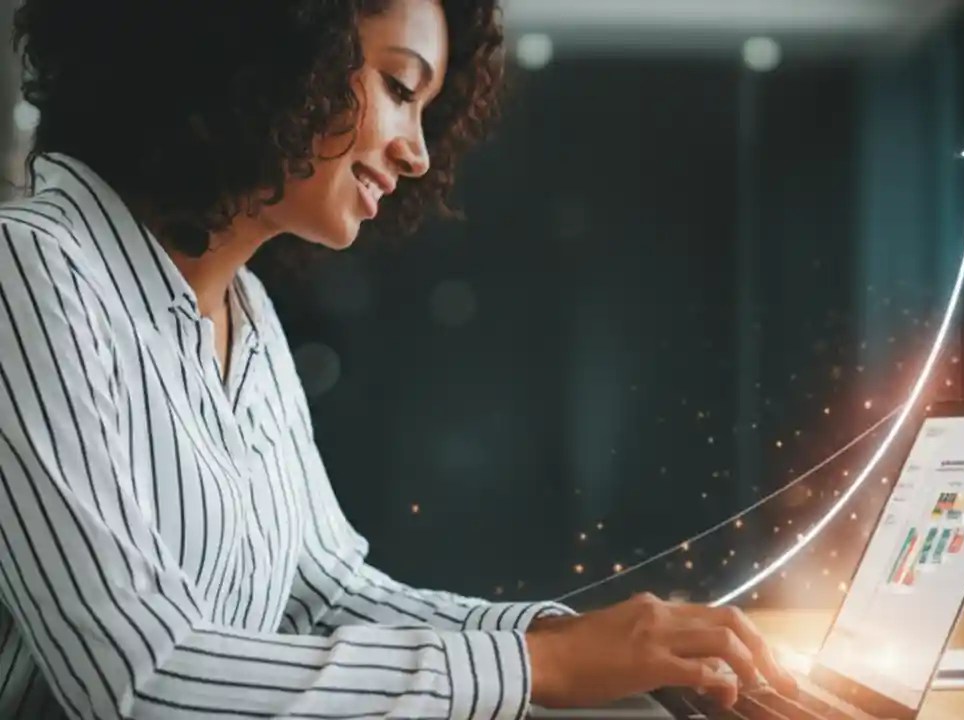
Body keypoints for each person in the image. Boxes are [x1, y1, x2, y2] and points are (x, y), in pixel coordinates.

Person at [0, 0, 797, 717]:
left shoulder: (246, 317)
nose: (416, 153)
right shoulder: (26, 271)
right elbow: (141, 683)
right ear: (266, 47)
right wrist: (539, 664)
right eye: (399, 87)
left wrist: (580, 638)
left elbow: (326, 596)